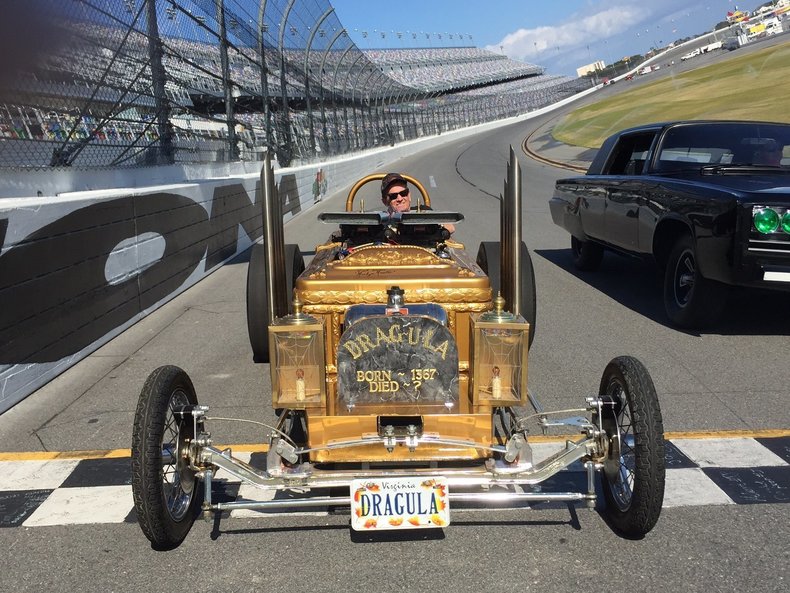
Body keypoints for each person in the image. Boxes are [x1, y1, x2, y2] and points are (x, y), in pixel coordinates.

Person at [380, 173, 455, 233]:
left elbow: (450, 227)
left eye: (403, 193)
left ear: (409, 195)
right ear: (384, 201)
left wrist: (433, 226)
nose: (400, 199)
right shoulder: (380, 220)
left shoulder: (423, 211)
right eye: (393, 196)